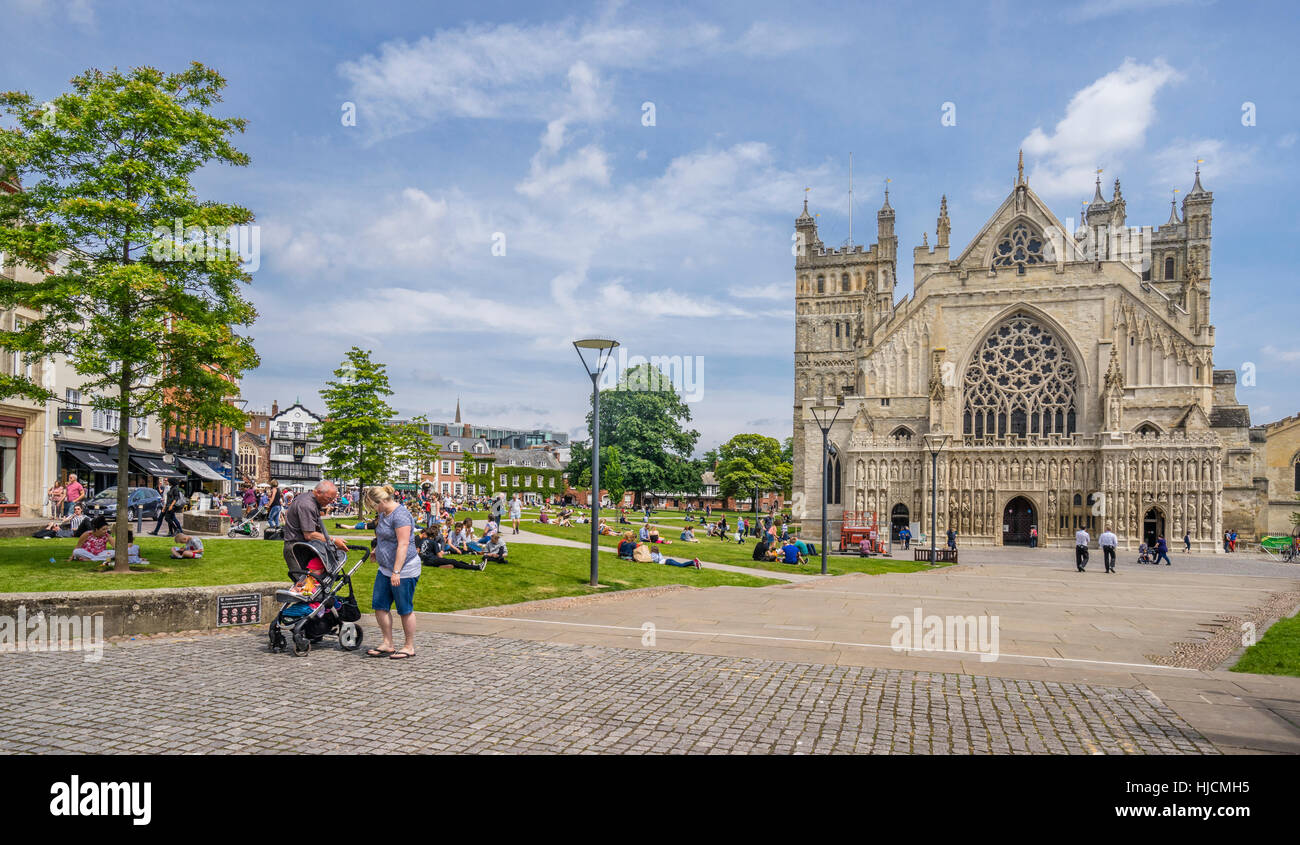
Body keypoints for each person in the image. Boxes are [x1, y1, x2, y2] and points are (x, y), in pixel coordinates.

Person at [364, 485, 420, 660]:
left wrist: (396, 571)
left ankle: (409, 646)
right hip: (385, 568)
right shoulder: (383, 514)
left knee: (404, 608)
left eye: (373, 506)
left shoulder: (400, 515)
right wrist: (377, 551)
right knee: (379, 605)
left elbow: (403, 544)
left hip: (404, 568)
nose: (374, 510)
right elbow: (382, 536)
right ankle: (388, 643)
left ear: (380, 501)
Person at [281, 480, 350, 572]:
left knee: (314, 582)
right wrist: (334, 541)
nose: (330, 502)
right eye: (329, 498)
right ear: (318, 492)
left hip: (303, 546)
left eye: (333, 499)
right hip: (296, 548)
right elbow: (309, 534)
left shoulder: (309, 499)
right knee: (304, 583)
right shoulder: (307, 504)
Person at [414, 524, 484, 571]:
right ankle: (476, 567)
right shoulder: (433, 543)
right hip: (432, 560)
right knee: (453, 561)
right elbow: (440, 556)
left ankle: (469, 564)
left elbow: (418, 550)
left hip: (425, 562)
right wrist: (440, 553)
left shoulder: (423, 540)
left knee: (453, 562)